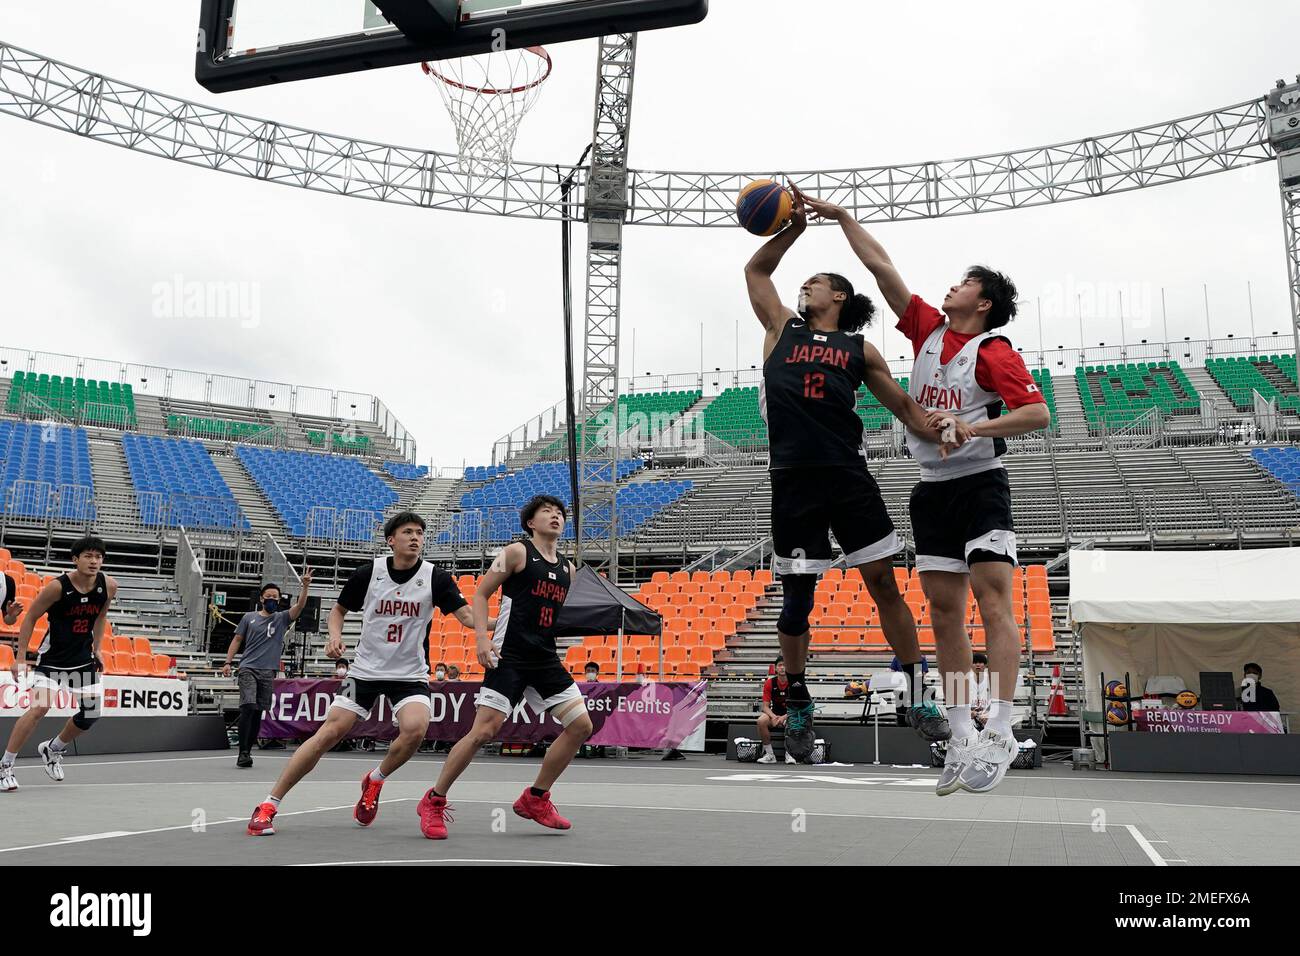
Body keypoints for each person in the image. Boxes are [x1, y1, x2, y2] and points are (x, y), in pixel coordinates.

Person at [800, 188, 1051, 795]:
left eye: (963, 282)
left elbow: (1037, 413)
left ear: (983, 301)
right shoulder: (928, 333)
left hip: (980, 484)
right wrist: (843, 219)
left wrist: (974, 425)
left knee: (993, 603)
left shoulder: (993, 353)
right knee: (943, 614)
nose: (951, 286)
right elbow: (882, 270)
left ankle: (1002, 725)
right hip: (931, 487)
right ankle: (961, 732)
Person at [744, 186, 952, 764]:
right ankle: (799, 696)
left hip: (847, 475)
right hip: (792, 478)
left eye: (814, 280)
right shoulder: (780, 328)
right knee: (797, 602)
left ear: (838, 294)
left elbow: (907, 411)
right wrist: (793, 229)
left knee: (884, 582)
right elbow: (755, 268)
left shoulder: (861, 350)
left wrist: (950, 427)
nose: (803, 285)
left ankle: (916, 689)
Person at [246, 512, 489, 835]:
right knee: (329, 733)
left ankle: (375, 780)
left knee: (416, 729)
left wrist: (500, 625)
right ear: (391, 540)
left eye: (420, 533)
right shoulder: (368, 573)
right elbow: (338, 611)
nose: (415, 537)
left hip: (410, 675)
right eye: (408, 532)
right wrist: (335, 636)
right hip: (363, 673)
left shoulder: (435, 578)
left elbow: (469, 618)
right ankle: (269, 804)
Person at [417, 495, 592, 840]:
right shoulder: (515, 553)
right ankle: (434, 800)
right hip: (509, 655)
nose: (555, 517)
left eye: (560, 514)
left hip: (544, 658)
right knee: (483, 732)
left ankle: (536, 798)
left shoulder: (569, 569)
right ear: (531, 522)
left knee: (581, 726)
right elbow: (480, 595)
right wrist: (482, 639)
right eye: (547, 512)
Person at [1, 536, 117, 792]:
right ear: (75, 560)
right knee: (40, 707)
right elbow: (30, 617)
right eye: (88, 556)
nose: (94, 561)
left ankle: (53, 749)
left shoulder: (108, 586)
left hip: (82, 660)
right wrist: (20, 658)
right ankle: (6, 765)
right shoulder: (57, 587)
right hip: (52, 660)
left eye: (98, 557)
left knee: (92, 713)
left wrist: (98, 648)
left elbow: (100, 617)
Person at [222, 574, 312, 768]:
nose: (271, 600)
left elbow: (299, 607)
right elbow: (237, 640)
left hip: (267, 671)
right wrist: (228, 662)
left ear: (279, 600)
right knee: (247, 706)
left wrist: (304, 587)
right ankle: (243, 752)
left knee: (258, 711)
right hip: (248, 668)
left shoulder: (281, 618)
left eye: (275, 597)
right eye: (268, 596)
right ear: (262, 598)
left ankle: (248, 748)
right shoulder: (249, 618)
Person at [757, 655, 794, 764]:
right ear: (776, 668)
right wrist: (774, 717)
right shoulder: (769, 683)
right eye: (780, 665)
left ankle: (790, 754)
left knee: (794, 721)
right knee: (761, 721)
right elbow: (765, 707)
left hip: (790, 713)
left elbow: (797, 707)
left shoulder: (794, 683)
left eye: (785, 665)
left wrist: (783, 717)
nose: (782, 668)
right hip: (775, 713)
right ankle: (770, 755)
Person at [970, 652, 991, 730]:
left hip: (987, 714)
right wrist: (968, 713)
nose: (977, 665)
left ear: (985, 665)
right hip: (970, 714)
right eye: (975, 662)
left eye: (980, 662)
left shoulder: (991, 680)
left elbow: (995, 701)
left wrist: (988, 714)